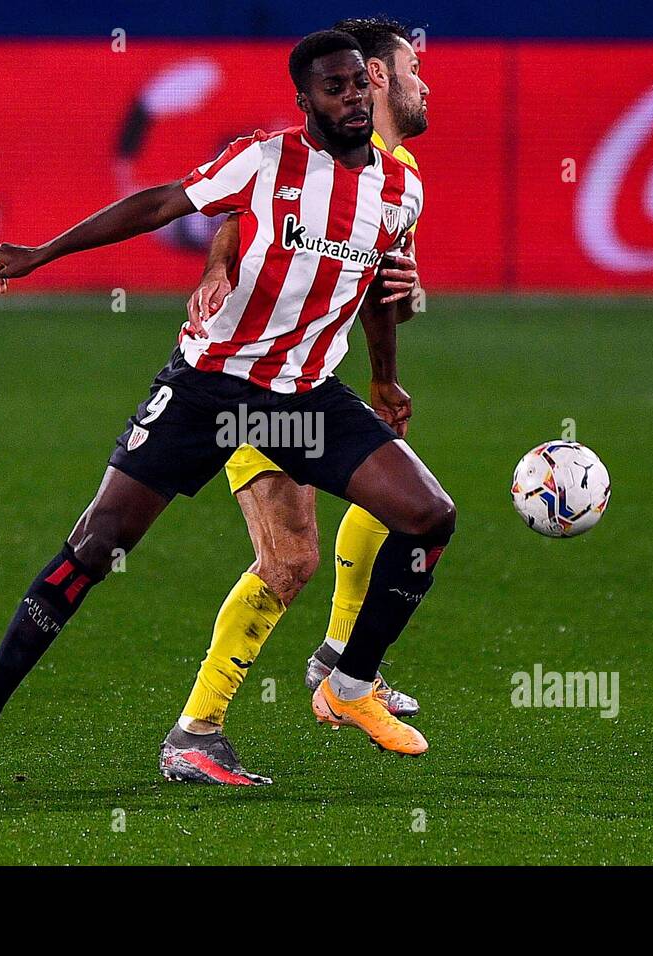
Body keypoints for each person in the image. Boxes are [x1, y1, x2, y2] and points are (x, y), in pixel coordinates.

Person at [0, 30, 455, 792]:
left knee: (429, 516)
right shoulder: (266, 159)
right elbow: (162, 202)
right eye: (332, 88)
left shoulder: (401, 191)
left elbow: (378, 290)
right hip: (208, 390)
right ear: (305, 100)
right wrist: (44, 252)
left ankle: (348, 684)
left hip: (302, 400)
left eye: (357, 86)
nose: (349, 98)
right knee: (98, 543)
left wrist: (383, 378)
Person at [162, 15, 432, 785]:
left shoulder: (398, 174)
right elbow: (237, 219)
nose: (425, 84)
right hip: (249, 379)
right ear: (376, 77)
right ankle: (195, 731)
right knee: (289, 559)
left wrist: (404, 316)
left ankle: (339, 669)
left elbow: (382, 291)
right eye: (413, 69)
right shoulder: (290, 150)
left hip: (317, 383)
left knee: (400, 500)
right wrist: (216, 266)